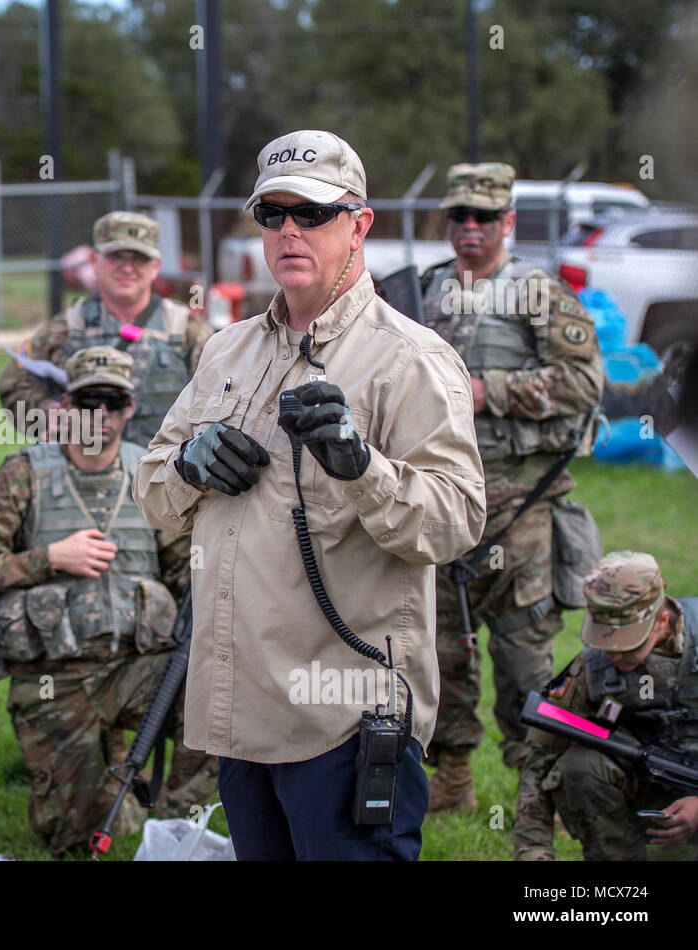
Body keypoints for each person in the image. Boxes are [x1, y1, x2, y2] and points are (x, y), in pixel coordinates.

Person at [133, 130, 486, 860]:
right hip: (239, 709)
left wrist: (362, 467)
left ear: (360, 223)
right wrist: (189, 466)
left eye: (313, 212)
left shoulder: (409, 359)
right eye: (273, 214)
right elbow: (153, 491)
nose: (290, 230)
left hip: (343, 718)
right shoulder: (228, 350)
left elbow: (457, 522)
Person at [0, 346, 217, 854]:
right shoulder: (22, 474)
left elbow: (189, 569)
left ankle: (175, 829)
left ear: (130, 406)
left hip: (139, 667)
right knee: (75, 839)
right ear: (65, 406)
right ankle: (110, 788)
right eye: (88, 401)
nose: (100, 415)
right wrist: (47, 558)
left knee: (216, 698)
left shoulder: (152, 473)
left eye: (112, 402)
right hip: (54, 678)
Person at [420, 163, 605, 810]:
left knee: (525, 654)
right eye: (459, 216)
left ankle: (536, 791)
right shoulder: (424, 291)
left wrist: (488, 391)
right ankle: (452, 778)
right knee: (443, 650)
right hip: (442, 501)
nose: (469, 228)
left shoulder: (538, 292)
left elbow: (586, 384)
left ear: (508, 223)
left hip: (520, 507)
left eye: (483, 217)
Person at [514, 551, 698, 860]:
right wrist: (532, 851)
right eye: (606, 643)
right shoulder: (593, 666)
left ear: (661, 620)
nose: (614, 656)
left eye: (628, 645)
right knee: (580, 766)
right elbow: (542, 758)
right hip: (649, 787)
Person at [0, 211, 213, 449]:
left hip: (162, 476)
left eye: (138, 258)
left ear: (155, 267)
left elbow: (223, 392)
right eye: (115, 256)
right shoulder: (65, 329)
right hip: (83, 478)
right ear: (93, 260)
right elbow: (12, 385)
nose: (127, 268)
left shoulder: (186, 330)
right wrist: (46, 414)